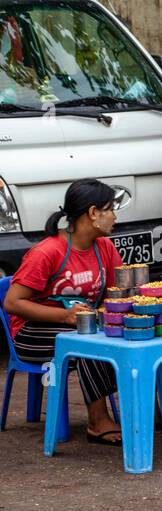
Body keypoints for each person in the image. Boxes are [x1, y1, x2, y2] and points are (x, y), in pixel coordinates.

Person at [3, 179, 122, 444]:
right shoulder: (46, 252)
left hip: (77, 325)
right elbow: (12, 303)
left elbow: (116, 294)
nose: (114, 216)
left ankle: (155, 410)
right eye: (110, 208)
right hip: (30, 335)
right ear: (93, 213)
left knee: (133, 332)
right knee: (85, 341)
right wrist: (65, 316)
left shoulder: (105, 248)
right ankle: (97, 420)